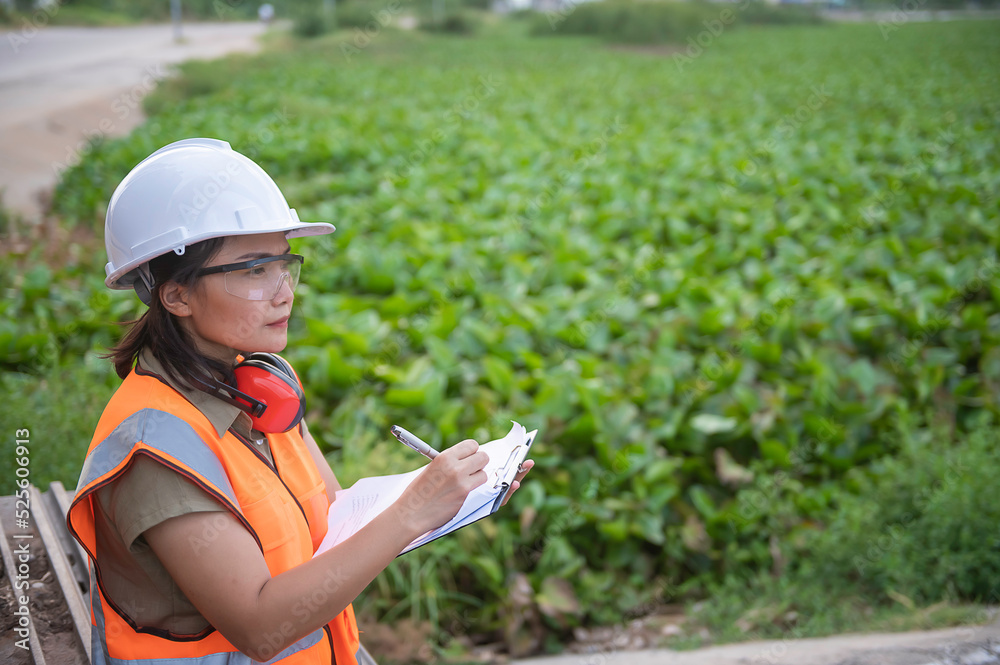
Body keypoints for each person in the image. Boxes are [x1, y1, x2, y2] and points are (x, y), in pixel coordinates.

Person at [67, 138, 534, 665]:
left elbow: (336, 527)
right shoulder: (155, 449)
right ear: (176, 295)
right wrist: (410, 512)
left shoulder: (265, 385)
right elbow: (261, 628)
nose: (283, 291)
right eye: (252, 270)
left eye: (284, 264)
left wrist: (452, 501)